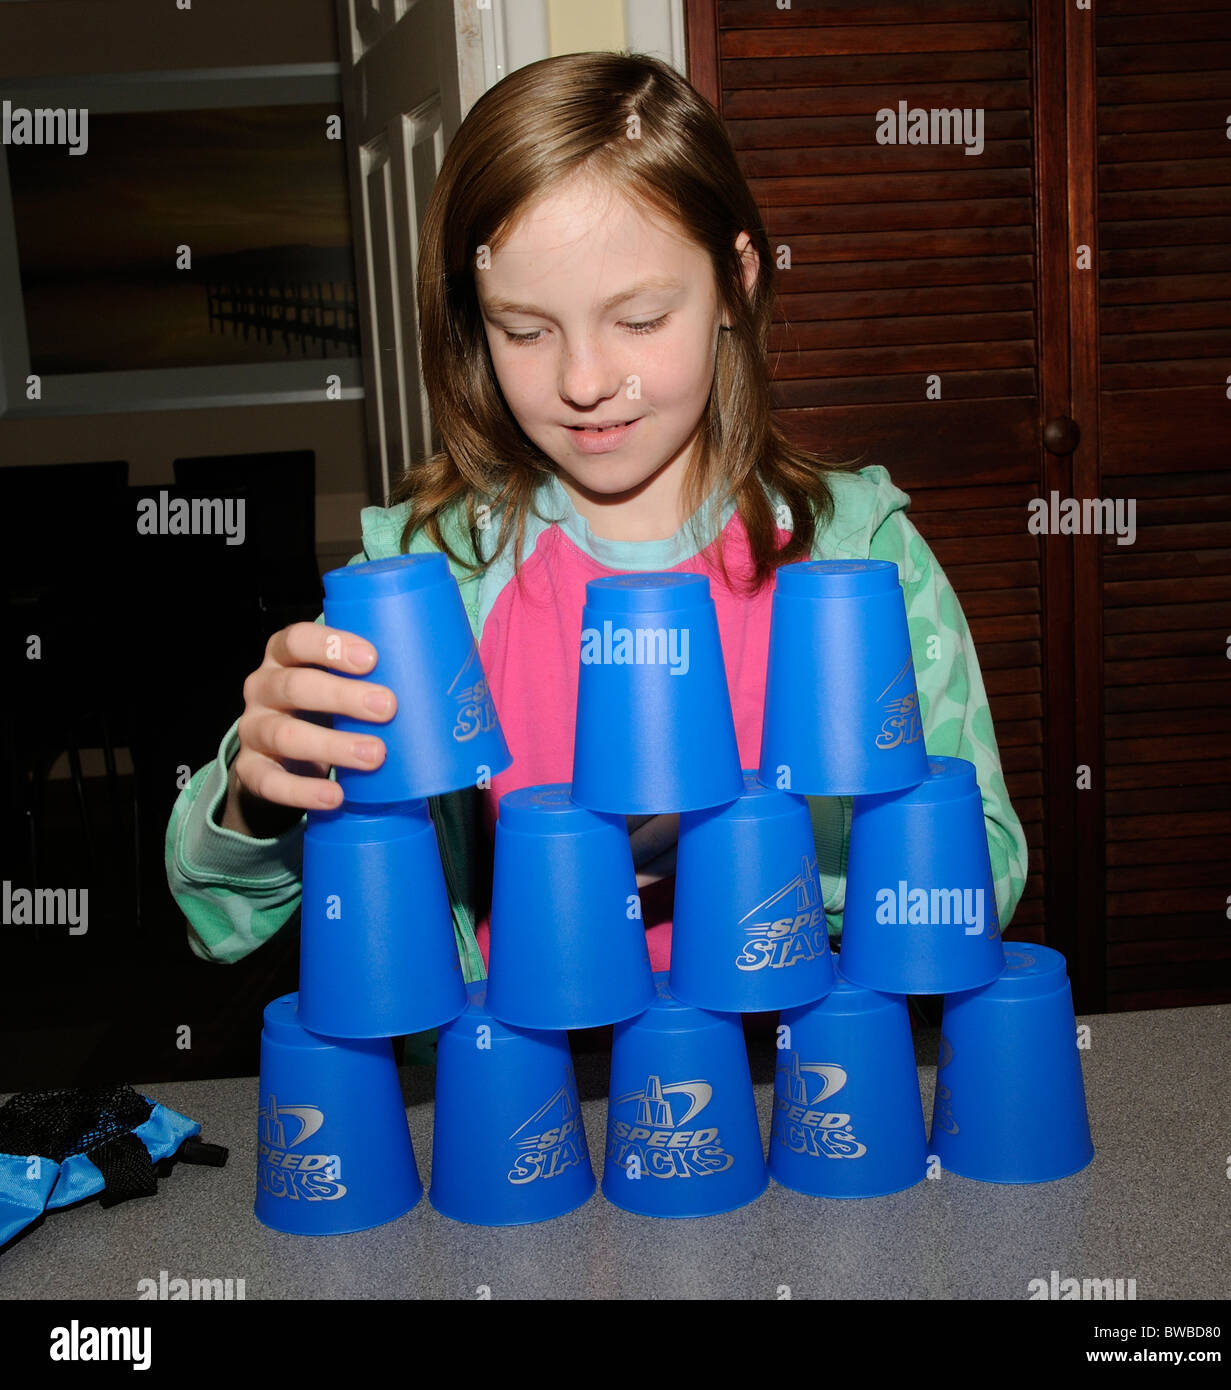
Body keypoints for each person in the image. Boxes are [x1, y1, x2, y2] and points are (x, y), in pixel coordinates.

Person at [166, 52, 1027, 1049]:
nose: (583, 379)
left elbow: (985, 873)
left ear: (734, 284)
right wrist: (256, 787)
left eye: (638, 318)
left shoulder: (854, 557)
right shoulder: (434, 576)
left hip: (800, 1084)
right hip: (514, 1105)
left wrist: (728, 843)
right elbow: (218, 916)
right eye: (523, 330)